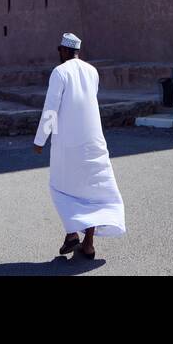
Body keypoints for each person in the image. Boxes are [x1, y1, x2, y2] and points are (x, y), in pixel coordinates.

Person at [33, 33, 126, 259]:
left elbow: (51, 108)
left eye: (59, 51)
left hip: (68, 145)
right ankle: (88, 243)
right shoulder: (92, 71)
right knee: (93, 191)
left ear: (64, 51)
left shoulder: (60, 72)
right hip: (94, 142)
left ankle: (72, 233)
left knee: (61, 188)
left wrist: (39, 140)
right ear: (78, 51)